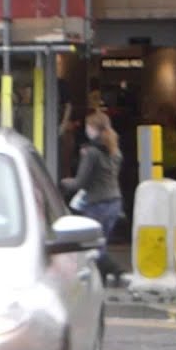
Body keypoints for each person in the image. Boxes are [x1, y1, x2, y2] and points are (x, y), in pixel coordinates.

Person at [63, 110, 126, 283]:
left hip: (97, 204)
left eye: (88, 126)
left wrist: (62, 183)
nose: (86, 129)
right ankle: (103, 278)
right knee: (100, 243)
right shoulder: (115, 150)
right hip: (114, 202)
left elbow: (80, 182)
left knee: (93, 245)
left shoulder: (91, 152)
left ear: (93, 128)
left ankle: (117, 272)